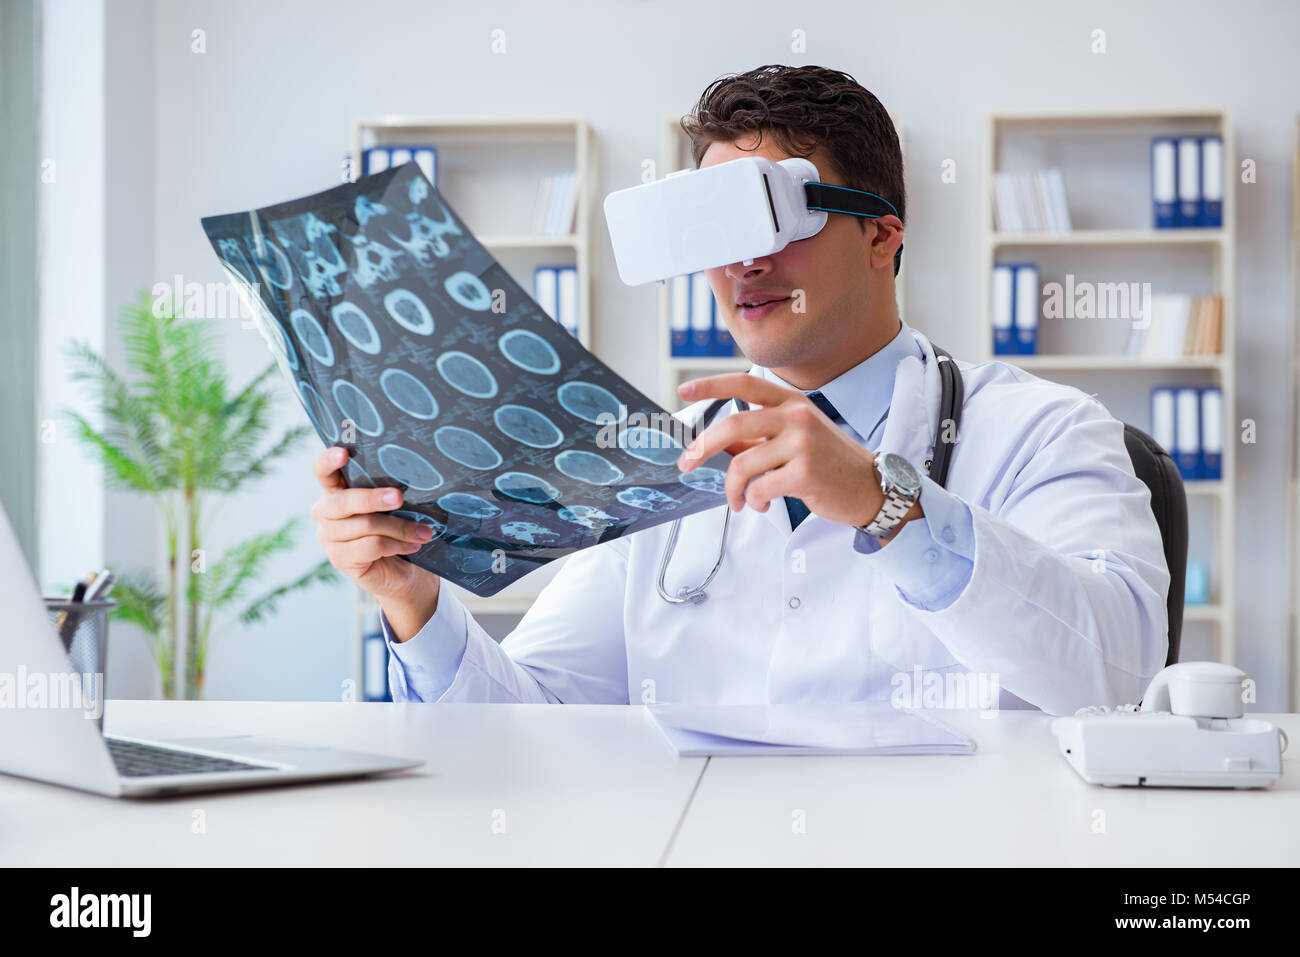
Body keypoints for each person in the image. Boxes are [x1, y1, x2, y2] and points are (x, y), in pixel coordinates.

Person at [309, 64, 1169, 716]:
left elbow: (1118, 674)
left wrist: (888, 504)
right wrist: (414, 602)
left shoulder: (1045, 430)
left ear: (881, 235)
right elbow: (535, 725)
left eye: (775, 218)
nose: (743, 262)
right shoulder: (656, 457)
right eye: (718, 228)